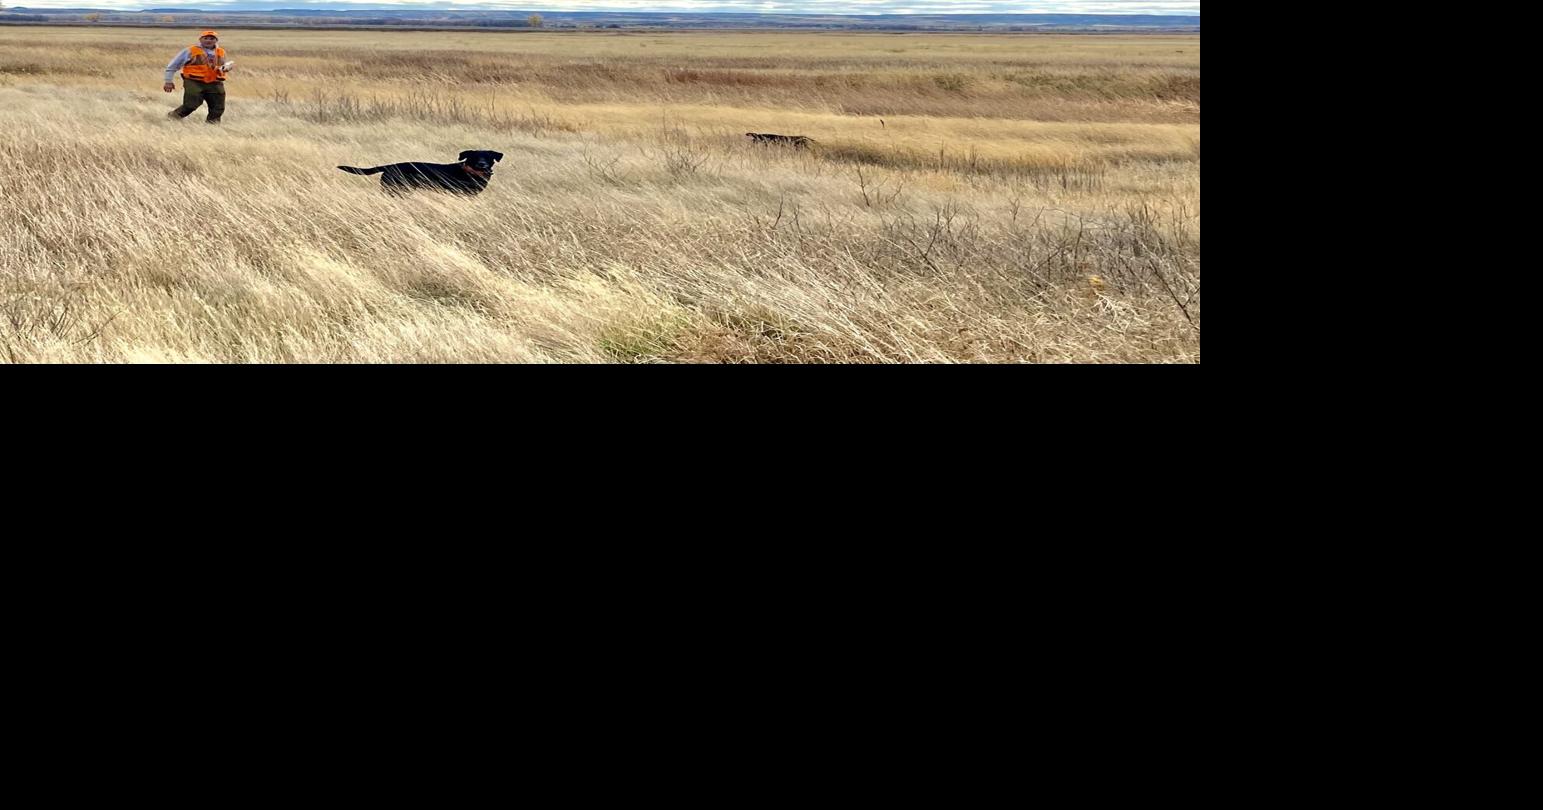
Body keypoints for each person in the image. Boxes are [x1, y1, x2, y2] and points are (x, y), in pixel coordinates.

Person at [164, 31, 233, 124]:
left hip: (215, 82)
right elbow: (173, 65)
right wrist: (168, 81)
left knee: (218, 108)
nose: (208, 40)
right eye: (206, 38)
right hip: (194, 81)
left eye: (212, 38)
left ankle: (212, 128)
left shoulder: (221, 51)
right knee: (191, 104)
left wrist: (225, 68)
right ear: (200, 39)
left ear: (216, 40)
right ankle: (172, 117)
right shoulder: (190, 50)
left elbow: (220, 66)